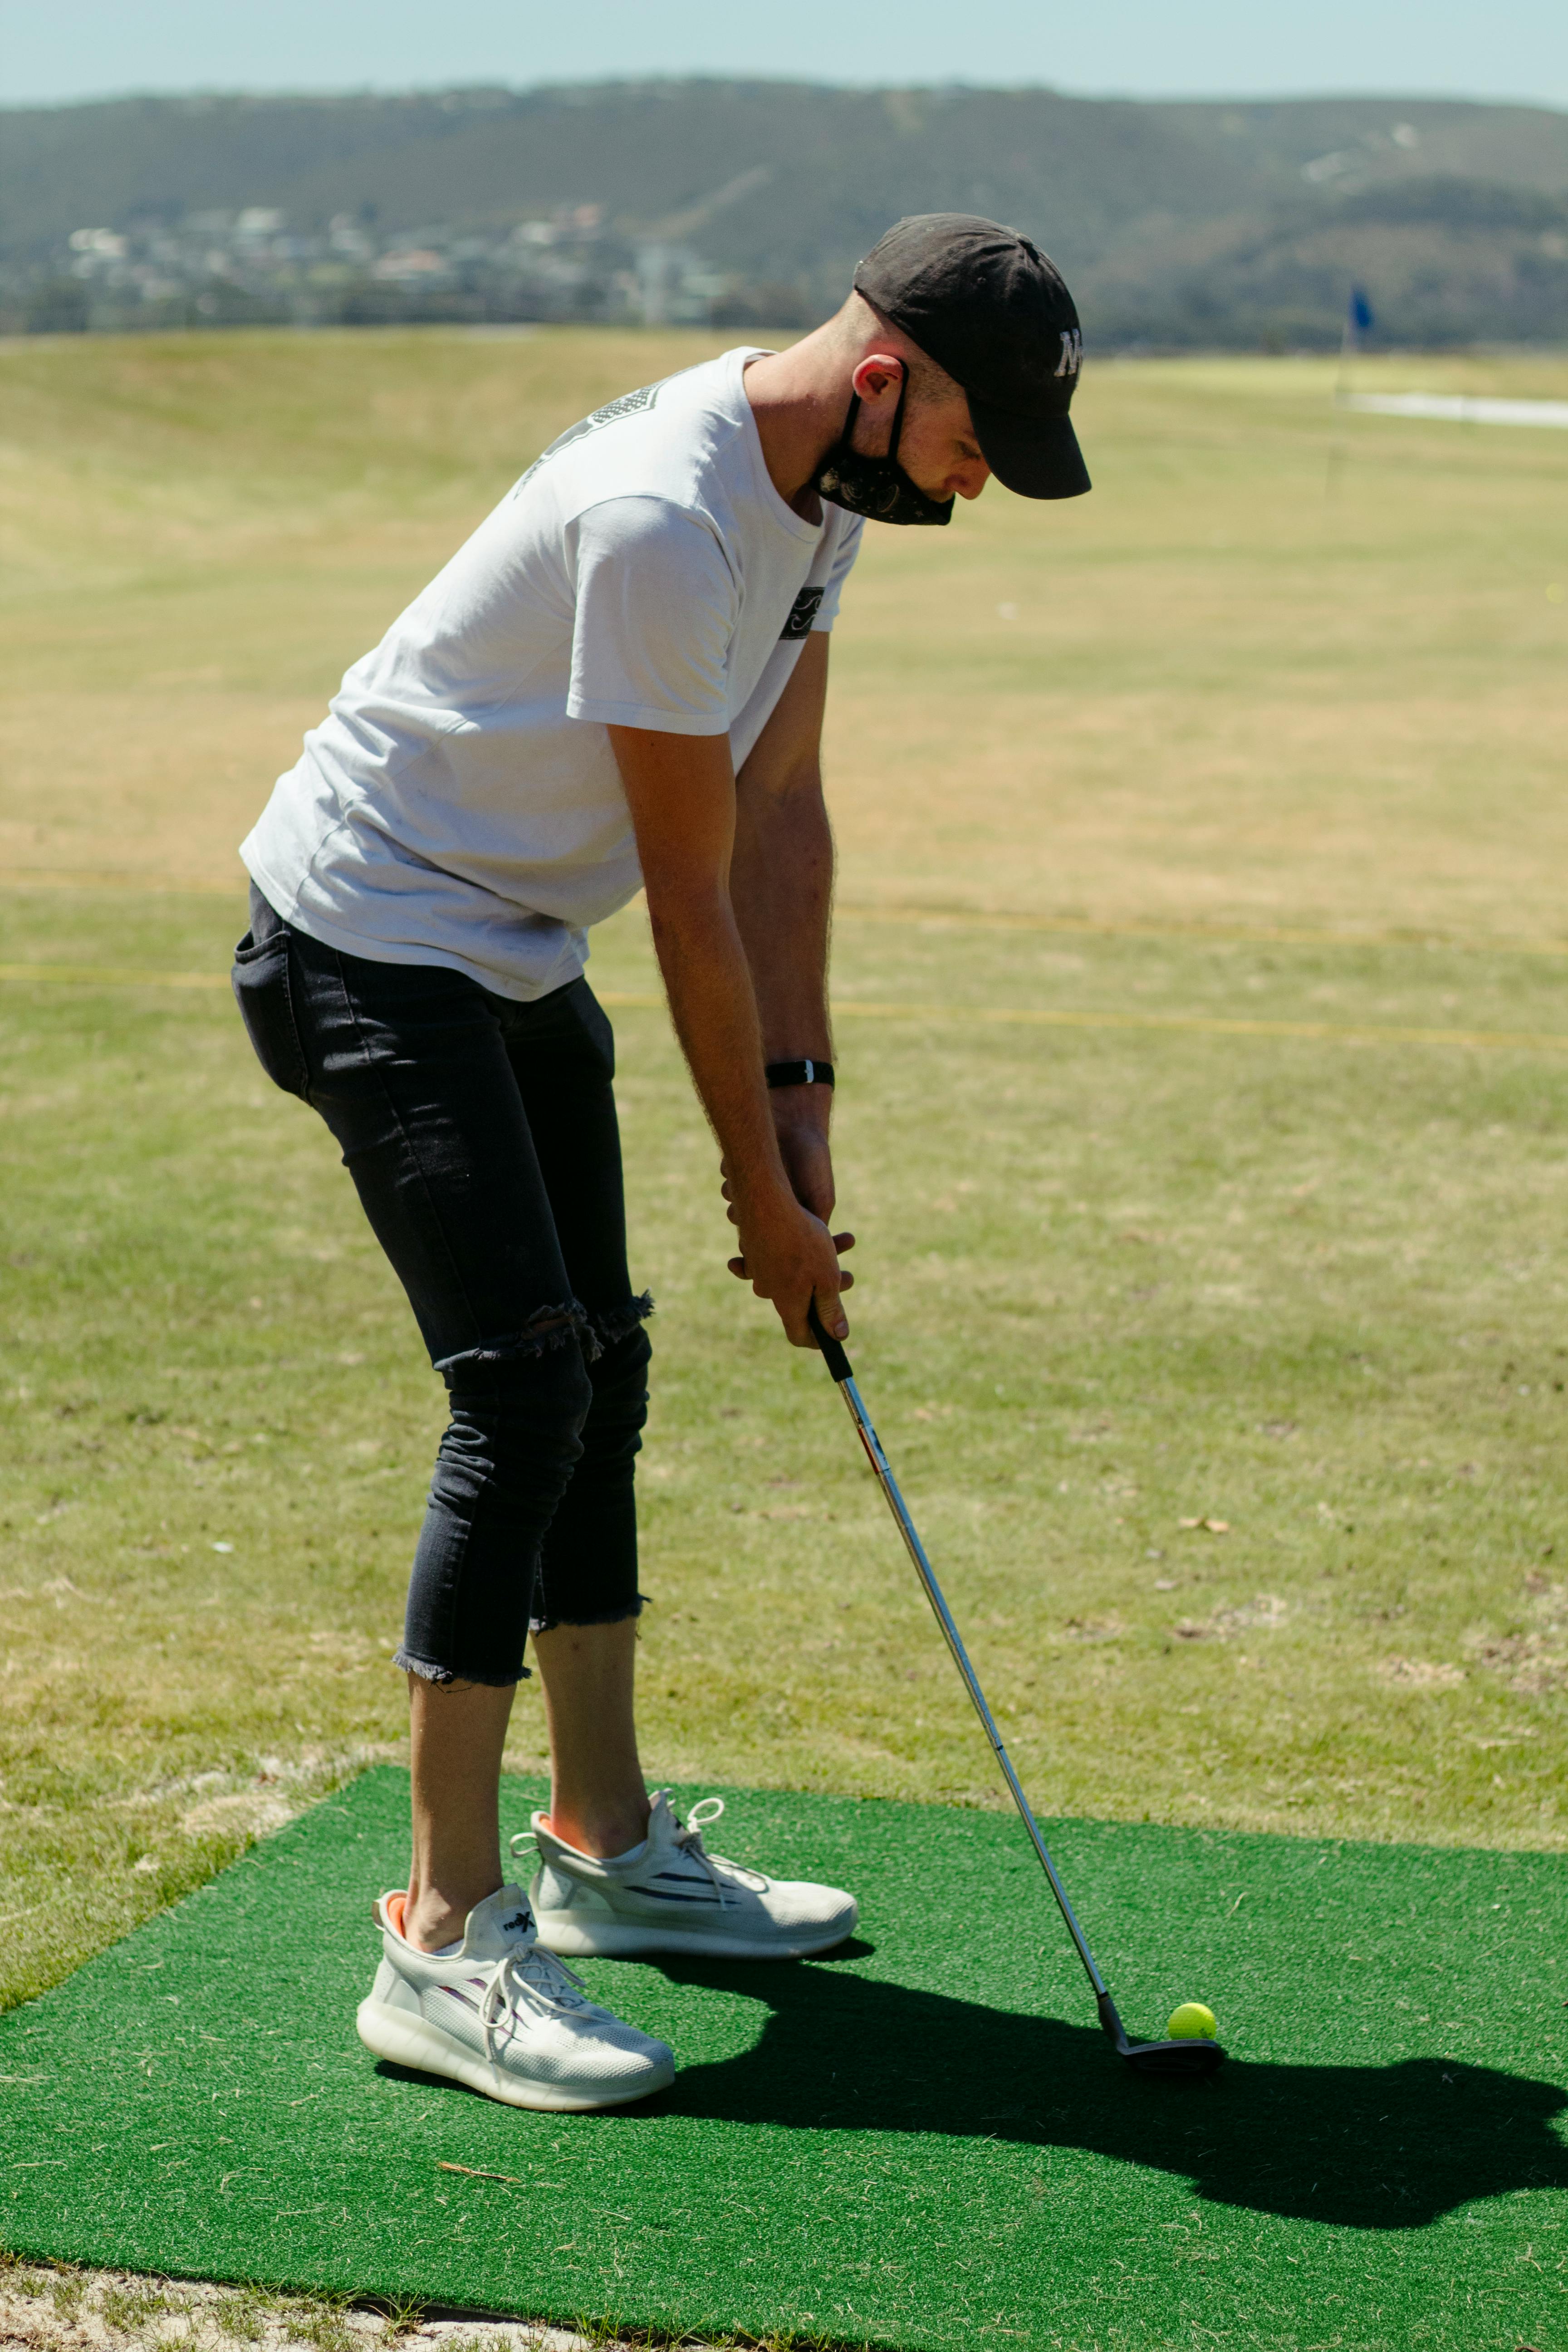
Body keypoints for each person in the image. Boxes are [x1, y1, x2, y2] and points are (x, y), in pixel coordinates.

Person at [230, 213, 1089, 2112]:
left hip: (505, 942)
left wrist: (803, 1094)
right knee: (525, 1378)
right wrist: (762, 1207)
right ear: (886, 376)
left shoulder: (828, 497)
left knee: (599, 1361)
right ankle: (443, 1943)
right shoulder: (666, 518)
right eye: (975, 437)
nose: (979, 480)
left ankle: (607, 1851)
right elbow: (688, 901)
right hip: (365, 937)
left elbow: (783, 805)